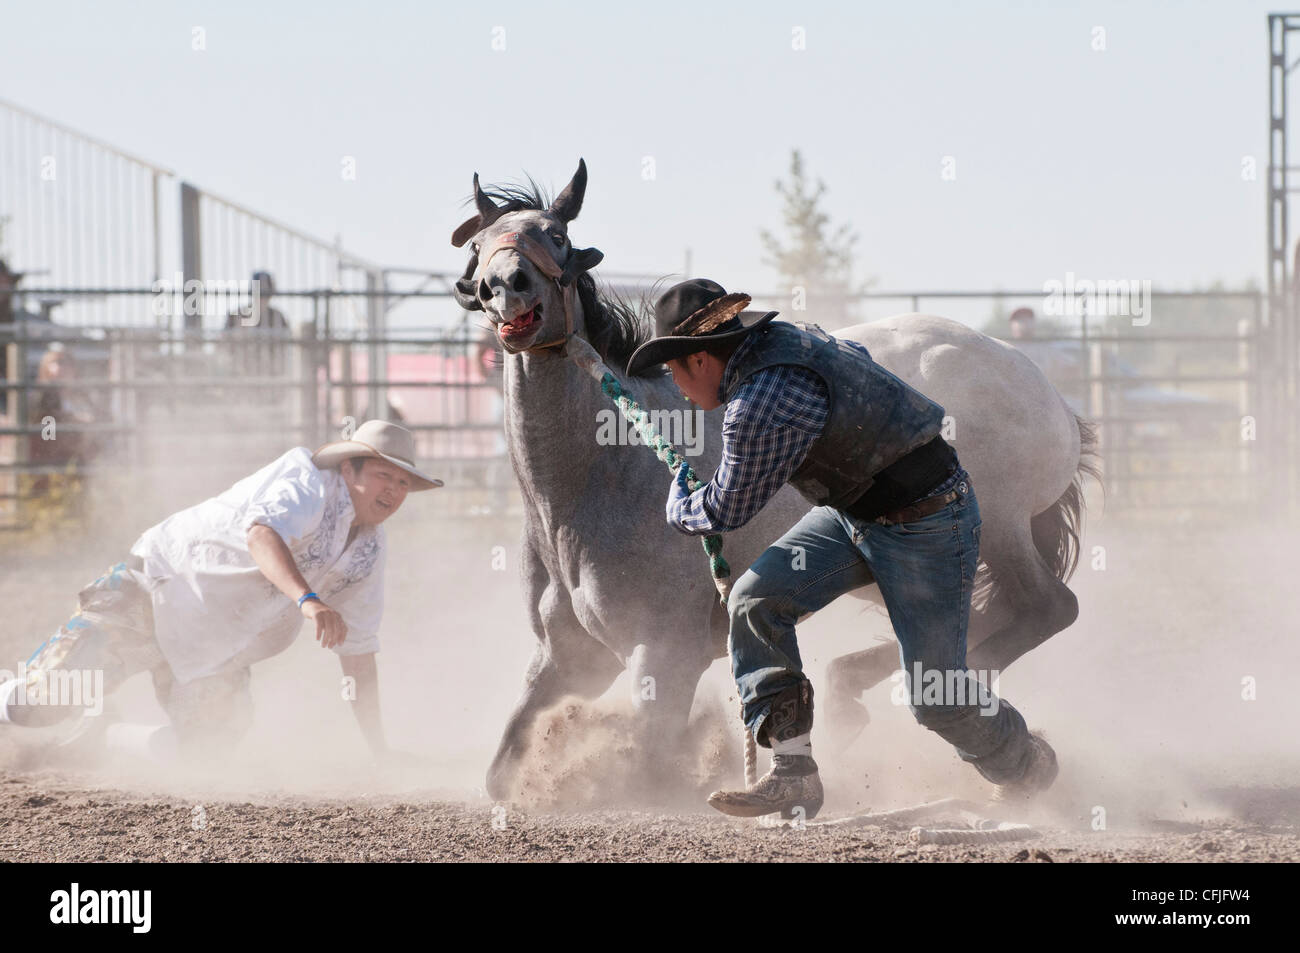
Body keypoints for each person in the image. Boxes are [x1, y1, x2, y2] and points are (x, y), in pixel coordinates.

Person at [625, 279, 1058, 819]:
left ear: (700, 360)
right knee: (755, 601)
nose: (678, 388)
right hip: (862, 509)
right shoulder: (793, 341)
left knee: (936, 696)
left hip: (927, 524)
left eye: (674, 372)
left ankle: (1026, 763)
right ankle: (794, 773)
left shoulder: (760, 403)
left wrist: (678, 500)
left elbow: (723, 511)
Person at [0, 419, 443, 763]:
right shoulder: (306, 478)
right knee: (37, 706)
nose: (396, 491)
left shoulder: (368, 549)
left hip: (214, 646)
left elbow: (359, 650)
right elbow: (261, 535)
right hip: (151, 593)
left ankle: (108, 738)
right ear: (349, 467)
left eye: (404, 483)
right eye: (386, 475)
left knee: (206, 753)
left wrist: (378, 748)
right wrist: (308, 600)